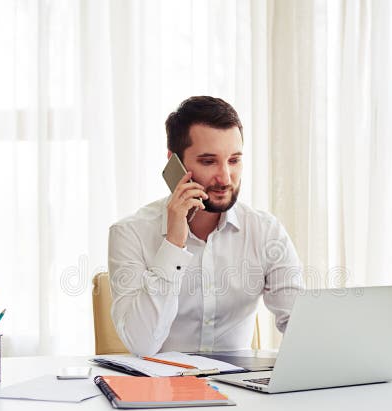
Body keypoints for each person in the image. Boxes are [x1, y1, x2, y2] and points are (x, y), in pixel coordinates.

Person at [107, 96, 303, 356]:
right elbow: (142, 345)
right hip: (160, 389)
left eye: (234, 160)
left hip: (239, 391)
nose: (225, 178)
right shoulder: (130, 234)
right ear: (173, 162)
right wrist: (174, 244)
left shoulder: (265, 231)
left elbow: (301, 327)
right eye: (208, 161)